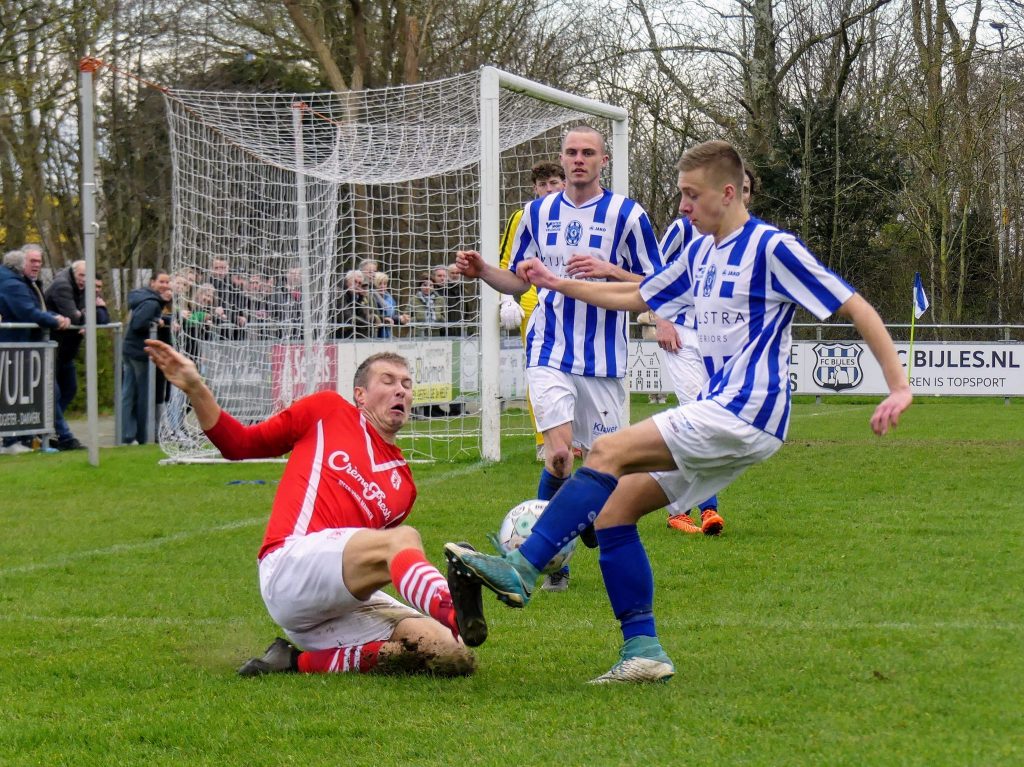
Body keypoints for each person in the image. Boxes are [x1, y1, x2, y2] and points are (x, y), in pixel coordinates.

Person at [444, 140, 912, 684]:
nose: (683, 206)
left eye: (691, 195)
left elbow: (854, 305)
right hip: (730, 415)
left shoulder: (771, 249)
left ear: (728, 192)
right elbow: (639, 296)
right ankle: (643, 650)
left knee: (607, 450)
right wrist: (556, 282)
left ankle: (522, 570)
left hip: (745, 408)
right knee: (616, 508)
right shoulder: (701, 253)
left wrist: (898, 385)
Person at [143, 339, 484, 676]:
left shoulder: (404, 485)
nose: (401, 391)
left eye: (407, 385)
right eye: (388, 381)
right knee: (403, 540)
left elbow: (376, 564)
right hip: (289, 568)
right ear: (360, 394)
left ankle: (292, 662)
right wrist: (195, 387)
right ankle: (455, 610)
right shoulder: (327, 411)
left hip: (338, 598)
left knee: (450, 653)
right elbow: (240, 444)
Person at [453, 124, 663, 590]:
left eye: (589, 152)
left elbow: (658, 287)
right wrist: (484, 270)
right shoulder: (535, 212)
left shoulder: (628, 216)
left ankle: (585, 523)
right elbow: (518, 280)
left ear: (603, 161)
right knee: (561, 456)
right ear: (562, 158)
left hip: (604, 360)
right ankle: (551, 562)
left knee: (602, 472)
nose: (579, 159)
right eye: (571, 152)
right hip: (549, 348)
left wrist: (610, 270)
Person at [657, 166, 755, 536]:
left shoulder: (754, 241)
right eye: (737, 188)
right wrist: (662, 321)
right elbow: (657, 273)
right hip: (681, 337)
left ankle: (684, 505)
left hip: (721, 342)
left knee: (713, 424)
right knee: (696, 416)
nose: (741, 196)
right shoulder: (685, 230)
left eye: (748, 190)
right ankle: (701, 509)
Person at [498, 160, 566, 468]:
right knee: (540, 369)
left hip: (571, 298)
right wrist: (505, 300)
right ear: (534, 189)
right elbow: (506, 262)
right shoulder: (523, 216)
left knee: (573, 369)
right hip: (532, 300)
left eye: (554, 183)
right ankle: (544, 439)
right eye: (543, 185)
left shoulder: (578, 214)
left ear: (564, 183)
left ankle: (574, 435)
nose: (549, 189)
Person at [0, 247, 72, 454]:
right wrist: (55, 320)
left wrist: (54, 317)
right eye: (31, 261)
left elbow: (33, 308)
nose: (36, 265)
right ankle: (15, 441)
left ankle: (31, 438)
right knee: (19, 393)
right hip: (16, 345)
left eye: (39, 261)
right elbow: (27, 311)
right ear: (21, 265)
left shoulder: (20, 282)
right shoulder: (13, 284)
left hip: (23, 346)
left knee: (34, 393)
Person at [43, 260, 91, 451]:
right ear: (73, 273)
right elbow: (75, 316)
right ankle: (64, 435)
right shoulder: (62, 285)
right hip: (52, 347)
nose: (84, 280)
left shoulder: (86, 287)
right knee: (53, 393)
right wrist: (85, 318)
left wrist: (85, 317)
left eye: (87, 276)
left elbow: (102, 316)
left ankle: (47, 427)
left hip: (66, 351)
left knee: (70, 388)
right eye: (81, 275)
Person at [121, 270, 172, 444]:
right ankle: (144, 436)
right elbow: (139, 323)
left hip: (129, 349)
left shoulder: (141, 297)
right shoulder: (152, 303)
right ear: (152, 283)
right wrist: (156, 320)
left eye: (167, 282)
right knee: (143, 395)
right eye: (161, 282)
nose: (165, 286)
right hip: (139, 352)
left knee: (128, 393)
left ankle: (126, 434)